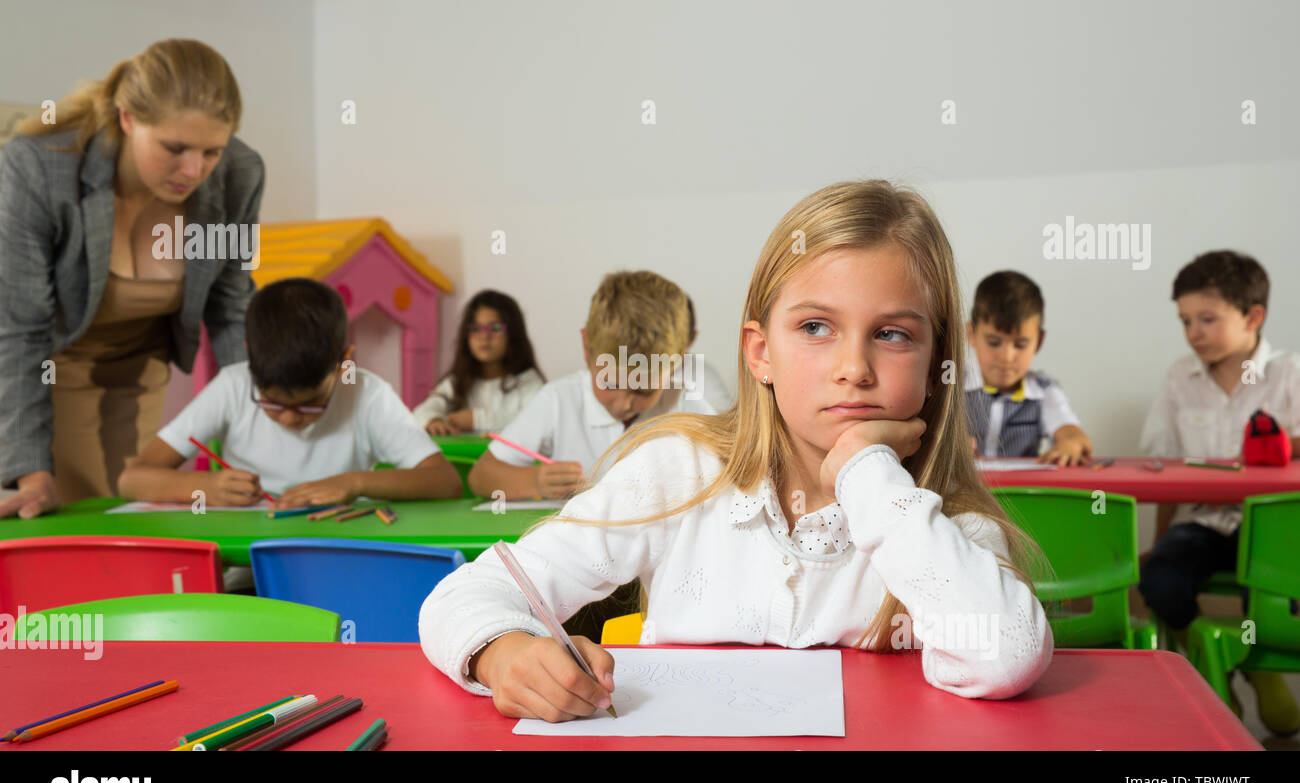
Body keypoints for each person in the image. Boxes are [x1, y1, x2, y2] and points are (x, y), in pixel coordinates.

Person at [420, 180, 1054, 721]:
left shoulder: (943, 520)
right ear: (760, 352)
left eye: (891, 334)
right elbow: (461, 596)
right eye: (815, 327)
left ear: (935, 365)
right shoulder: (677, 472)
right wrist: (502, 654)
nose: (853, 367)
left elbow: (1008, 651)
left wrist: (868, 476)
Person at [0, 38, 265, 517]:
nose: (193, 170)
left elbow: (230, 310)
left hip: (141, 368)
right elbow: (19, 328)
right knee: (60, 513)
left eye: (211, 151)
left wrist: (260, 431)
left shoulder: (238, 175)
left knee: (129, 512)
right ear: (127, 119)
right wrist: (29, 469)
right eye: (175, 148)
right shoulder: (38, 169)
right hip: (46, 365)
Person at [118, 278, 463, 509]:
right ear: (249, 355)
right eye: (271, 403)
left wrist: (354, 483)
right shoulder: (233, 386)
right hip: (246, 558)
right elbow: (132, 480)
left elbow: (445, 482)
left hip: (335, 553)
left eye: (310, 404)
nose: (288, 417)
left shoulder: (368, 394)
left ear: (344, 362)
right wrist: (207, 487)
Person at [1138, 250, 1300, 735]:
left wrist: (1285, 446)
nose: (1194, 332)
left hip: (1271, 530)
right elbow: (1162, 469)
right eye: (1186, 320)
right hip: (1203, 523)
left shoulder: (1289, 374)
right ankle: (1215, 669)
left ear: (1253, 317)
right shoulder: (1179, 379)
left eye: (1207, 319)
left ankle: (1258, 667)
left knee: (1272, 587)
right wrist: (1159, 541)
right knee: (1160, 580)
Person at [466, 270, 717, 501]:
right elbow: (481, 476)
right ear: (586, 348)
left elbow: (734, 475)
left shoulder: (686, 404)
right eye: (609, 383)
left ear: (678, 361)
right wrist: (535, 482)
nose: (624, 404)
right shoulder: (559, 400)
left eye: (643, 390)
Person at [964, 271, 1093, 465]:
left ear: (1039, 342)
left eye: (1020, 345)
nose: (1007, 357)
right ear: (971, 334)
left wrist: (1070, 444)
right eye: (993, 342)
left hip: (1021, 493)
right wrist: (944, 445)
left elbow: (1074, 437)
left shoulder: (1045, 391)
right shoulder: (948, 383)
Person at [412, 290, 544, 436]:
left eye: (495, 328)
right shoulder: (457, 383)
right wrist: (433, 420)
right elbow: (421, 412)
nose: (484, 337)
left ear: (513, 334)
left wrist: (478, 420)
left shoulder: (529, 383)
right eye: (475, 328)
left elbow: (539, 424)